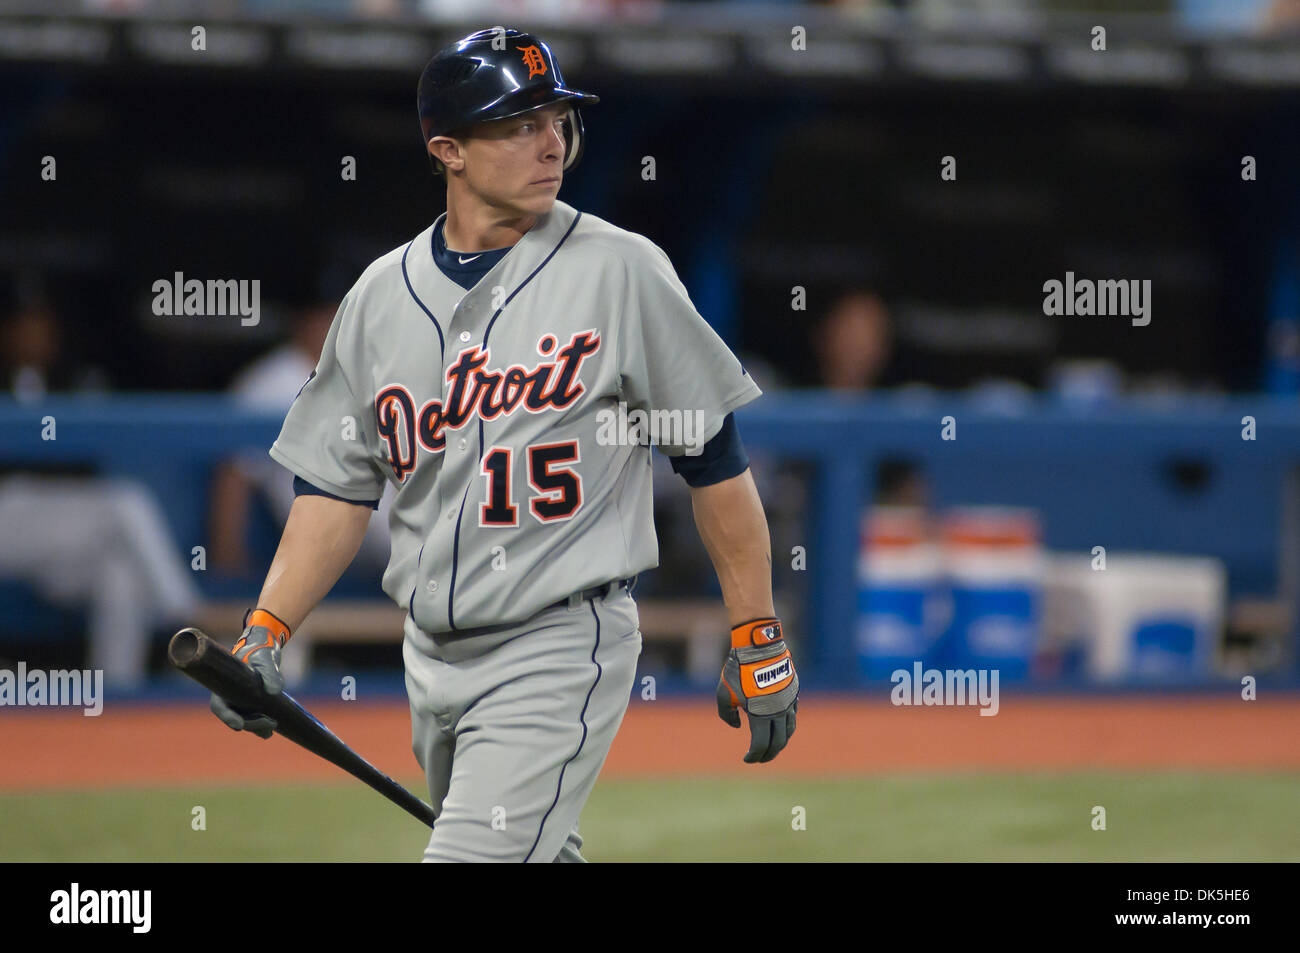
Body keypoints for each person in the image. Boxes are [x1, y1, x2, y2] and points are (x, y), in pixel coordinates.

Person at [206, 27, 799, 863]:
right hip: (432, 655)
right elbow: (337, 489)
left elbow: (713, 462)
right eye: (519, 123)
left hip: (561, 640)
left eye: (557, 118)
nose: (551, 141)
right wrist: (266, 628)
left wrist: (756, 630)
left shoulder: (620, 271)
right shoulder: (380, 296)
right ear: (446, 148)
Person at [208, 300, 392, 578]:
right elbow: (234, 475)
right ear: (303, 322)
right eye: (328, 314)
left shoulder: (364, 366)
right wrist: (227, 561)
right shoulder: (270, 383)